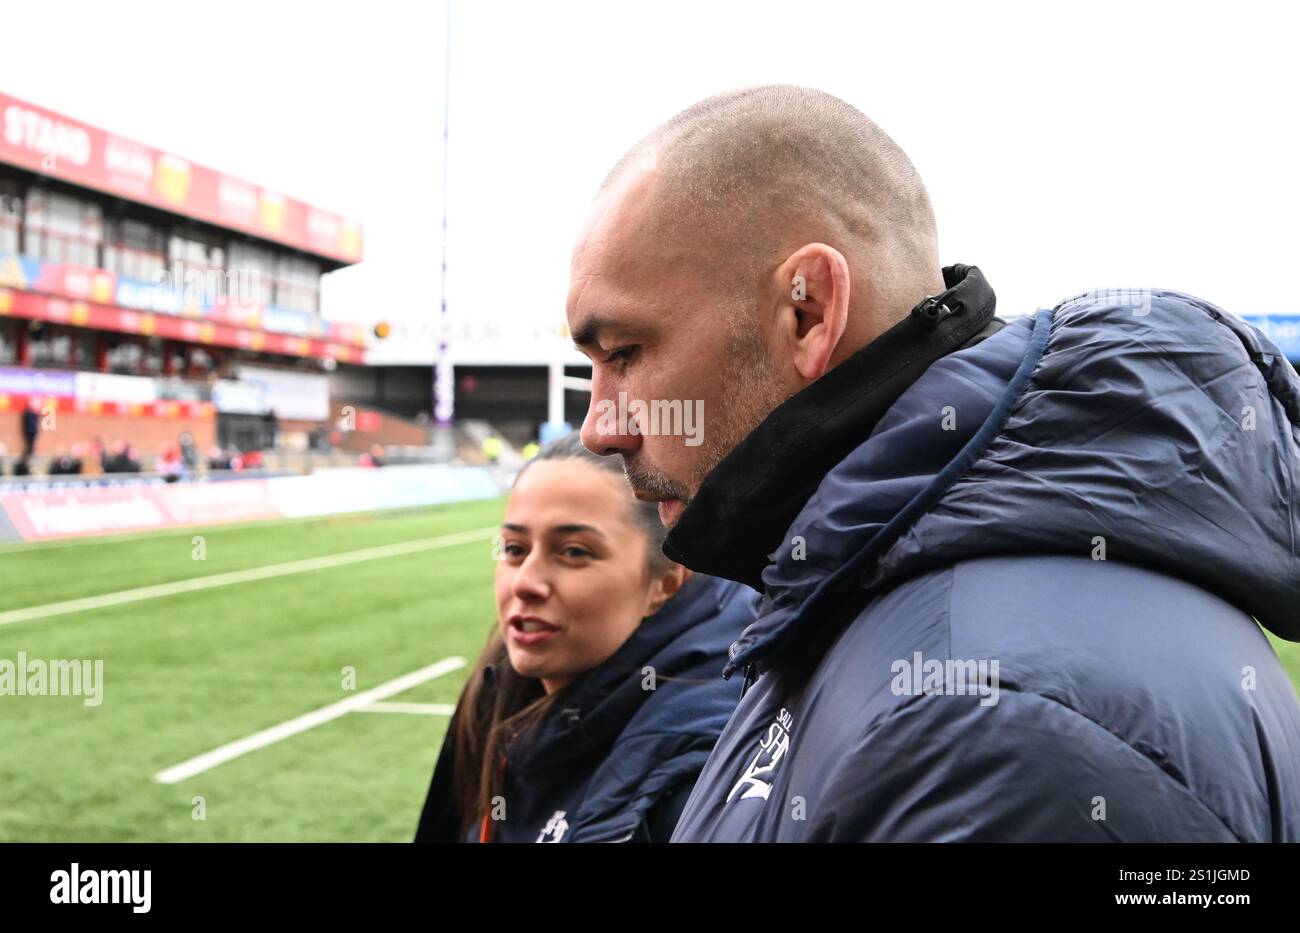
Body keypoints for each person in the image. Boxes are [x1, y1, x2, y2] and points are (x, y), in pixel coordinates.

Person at [565, 85, 1300, 841]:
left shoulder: (984, 724)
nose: (598, 426)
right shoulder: (867, 579)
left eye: (623, 353)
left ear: (807, 311)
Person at [413, 432, 755, 843]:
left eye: (574, 551)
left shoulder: (692, 777)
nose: (526, 583)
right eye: (514, 548)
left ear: (664, 584)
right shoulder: (497, 691)